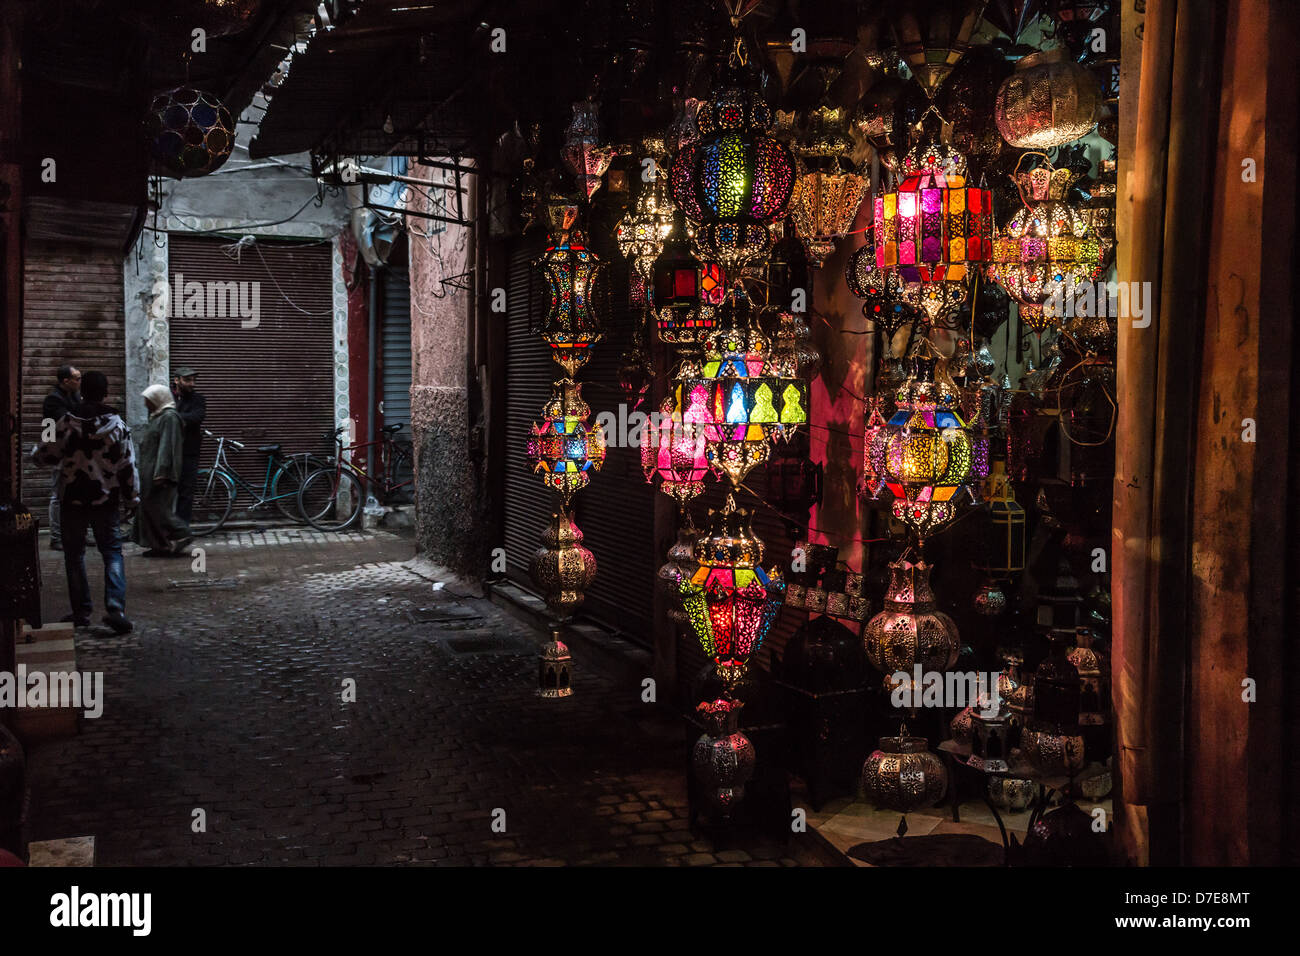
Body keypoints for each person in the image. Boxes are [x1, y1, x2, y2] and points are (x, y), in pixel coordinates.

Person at [31, 370, 139, 634]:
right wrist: (132, 498)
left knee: (74, 556)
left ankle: (81, 612)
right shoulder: (118, 426)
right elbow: (128, 466)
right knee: (112, 552)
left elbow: (45, 453)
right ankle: (115, 608)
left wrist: (38, 456)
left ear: (82, 392)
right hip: (107, 500)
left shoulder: (67, 422)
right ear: (106, 393)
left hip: (73, 500)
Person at [133, 384, 193, 557]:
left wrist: (162, 472)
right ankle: (160, 545)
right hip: (150, 471)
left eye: (148, 400)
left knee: (159, 509)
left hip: (160, 473)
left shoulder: (169, 418)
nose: (145, 403)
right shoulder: (158, 416)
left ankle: (183, 534)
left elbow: (167, 446)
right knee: (151, 509)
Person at [41, 365, 81, 550]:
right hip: (61, 454)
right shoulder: (53, 400)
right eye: (77, 379)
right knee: (57, 496)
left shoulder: (73, 396)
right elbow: (53, 426)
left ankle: (79, 532)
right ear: (66, 381)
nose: (80, 382)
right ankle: (56, 537)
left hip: (77, 454)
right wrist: (51, 453)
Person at [171, 366, 206, 523]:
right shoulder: (167, 397)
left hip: (188, 452)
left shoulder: (198, 399)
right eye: (187, 380)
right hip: (169, 451)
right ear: (176, 380)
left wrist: (171, 416)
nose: (192, 384)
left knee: (185, 492)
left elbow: (196, 417)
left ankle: (181, 529)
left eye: (193, 380)